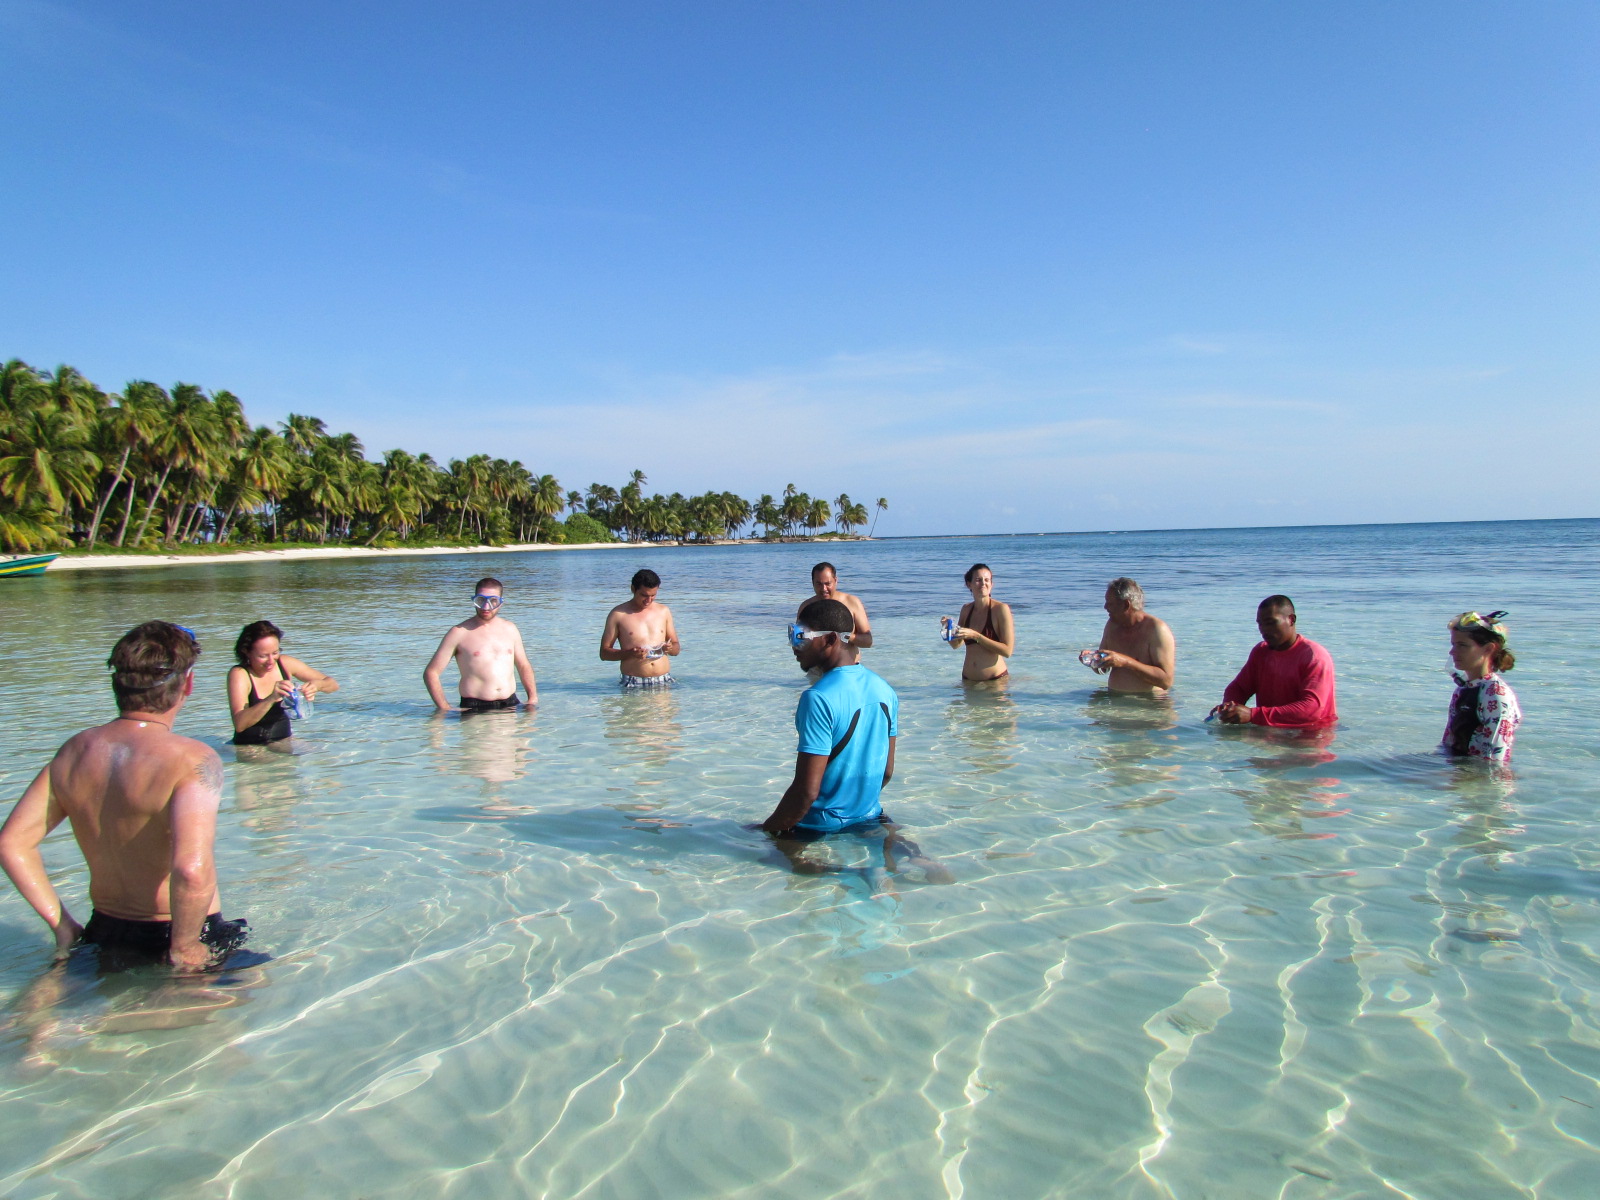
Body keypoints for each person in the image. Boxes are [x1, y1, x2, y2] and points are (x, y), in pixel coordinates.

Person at [0, 621, 249, 971]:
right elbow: (191, 869)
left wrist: (62, 926)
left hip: (104, 931)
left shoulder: (74, 751)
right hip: (178, 931)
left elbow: (12, 843)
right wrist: (185, 946)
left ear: (117, 683)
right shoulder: (191, 759)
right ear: (188, 683)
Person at [761, 599, 950, 881]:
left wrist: (768, 830)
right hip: (868, 813)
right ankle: (914, 859)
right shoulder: (885, 689)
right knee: (879, 834)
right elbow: (886, 772)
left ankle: (851, 875)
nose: (793, 646)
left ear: (829, 640)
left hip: (820, 823)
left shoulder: (817, 698)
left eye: (800, 636)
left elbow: (806, 793)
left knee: (762, 850)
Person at [1211, 595, 1337, 728]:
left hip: (1310, 735)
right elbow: (1239, 687)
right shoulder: (1261, 652)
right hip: (1270, 733)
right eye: (1260, 623)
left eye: (1271, 623)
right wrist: (1229, 708)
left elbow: (1312, 709)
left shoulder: (1313, 656)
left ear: (1291, 620)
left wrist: (1253, 715)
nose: (1264, 630)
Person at [424, 577, 538, 712]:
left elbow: (523, 664)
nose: (486, 607)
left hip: (511, 704)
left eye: (493, 601)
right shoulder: (459, 633)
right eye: (481, 600)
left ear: (500, 603)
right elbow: (431, 673)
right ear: (474, 600)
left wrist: (532, 698)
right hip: (475, 707)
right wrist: (445, 708)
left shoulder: (510, 629)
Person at [227, 620, 340, 745]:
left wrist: (317, 685)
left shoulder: (285, 663)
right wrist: (271, 698)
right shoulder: (239, 674)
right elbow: (240, 724)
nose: (271, 661)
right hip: (250, 746)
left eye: (275, 653)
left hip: (284, 740)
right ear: (246, 651)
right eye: (263, 656)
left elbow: (333, 685)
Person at [1442, 610, 1522, 763]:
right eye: (1453, 644)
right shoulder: (1465, 688)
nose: (1452, 652)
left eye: (1462, 645)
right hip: (1459, 772)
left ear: (1488, 649)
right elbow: (1448, 744)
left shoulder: (1496, 694)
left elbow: (1495, 759)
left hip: (1478, 781)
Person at [1084, 577, 1175, 693]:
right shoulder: (1112, 625)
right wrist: (1092, 660)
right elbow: (1103, 668)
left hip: (1149, 704)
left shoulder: (1156, 629)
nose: (1105, 607)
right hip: (1113, 700)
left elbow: (1166, 682)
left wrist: (1126, 662)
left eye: (1110, 603)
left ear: (1126, 605)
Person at [600, 568, 681, 688]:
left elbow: (676, 648)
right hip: (634, 683)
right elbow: (604, 653)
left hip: (664, 680)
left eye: (653, 595)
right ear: (633, 589)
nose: (648, 600)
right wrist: (630, 654)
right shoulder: (618, 614)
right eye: (644, 595)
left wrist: (669, 648)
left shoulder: (664, 611)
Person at [943, 562, 1014, 681]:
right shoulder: (966, 609)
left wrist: (976, 636)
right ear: (968, 584)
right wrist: (948, 629)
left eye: (987, 580)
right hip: (968, 682)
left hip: (995, 682)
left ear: (992, 584)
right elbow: (956, 644)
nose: (983, 583)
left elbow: (1007, 651)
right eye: (978, 580)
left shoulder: (1000, 609)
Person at [799, 562, 873, 661]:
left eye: (827, 583)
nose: (823, 589)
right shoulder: (806, 607)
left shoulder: (852, 603)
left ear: (836, 581)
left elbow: (868, 641)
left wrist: (843, 636)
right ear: (812, 583)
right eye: (819, 584)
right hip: (818, 671)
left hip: (849, 668)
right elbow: (797, 642)